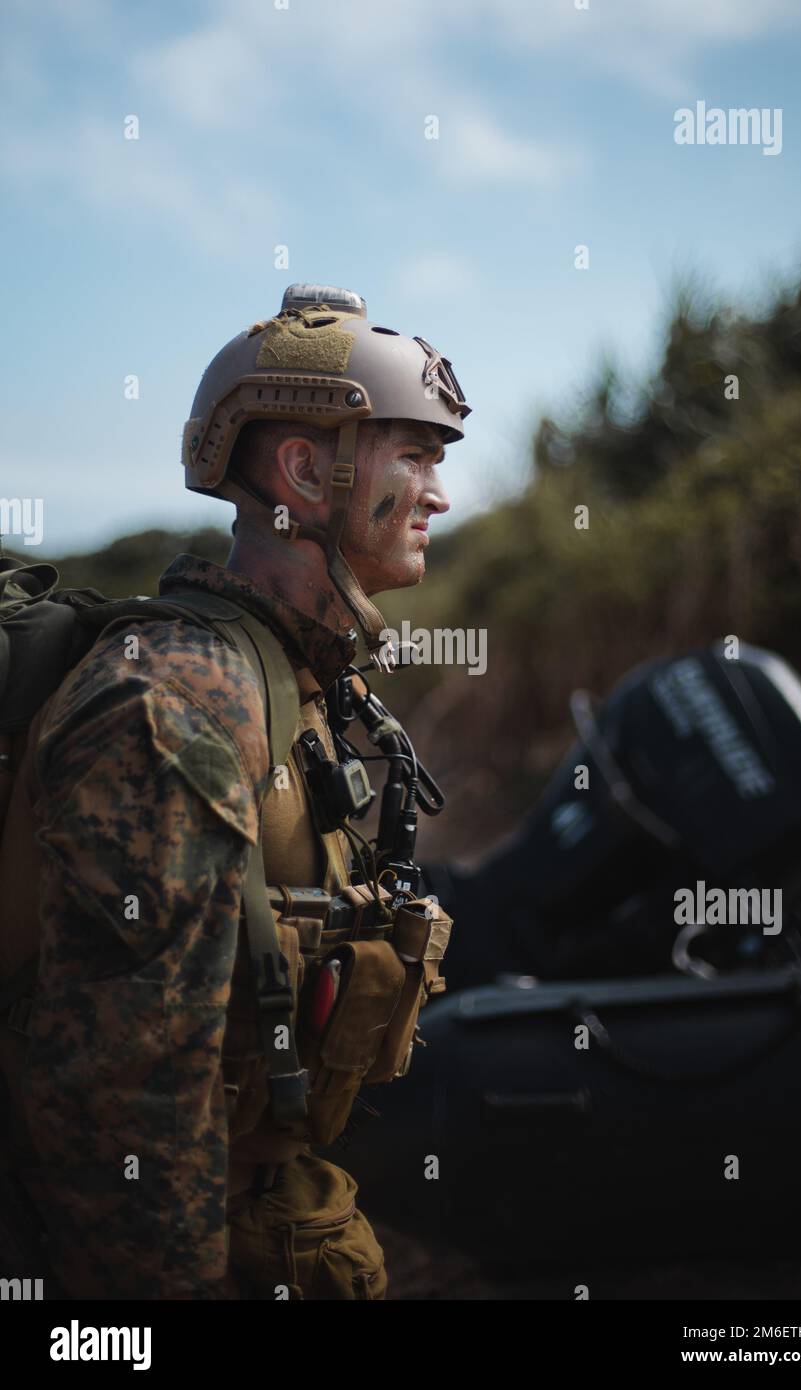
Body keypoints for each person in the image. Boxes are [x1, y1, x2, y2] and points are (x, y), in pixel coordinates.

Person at [0, 283, 469, 1298]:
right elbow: (124, 1099)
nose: (438, 495)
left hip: (266, 1209)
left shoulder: (297, 678)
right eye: (413, 458)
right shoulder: (176, 699)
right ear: (304, 469)